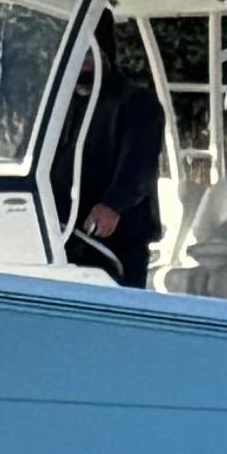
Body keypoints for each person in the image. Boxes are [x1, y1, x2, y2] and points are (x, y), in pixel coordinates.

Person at [61, 40, 165, 287]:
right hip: (69, 231)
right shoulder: (66, 104)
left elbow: (140, 164)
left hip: (115, 235)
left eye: (86, 58)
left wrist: (113, 205)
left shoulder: (137, 103)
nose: (79, 67)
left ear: (102, 57)